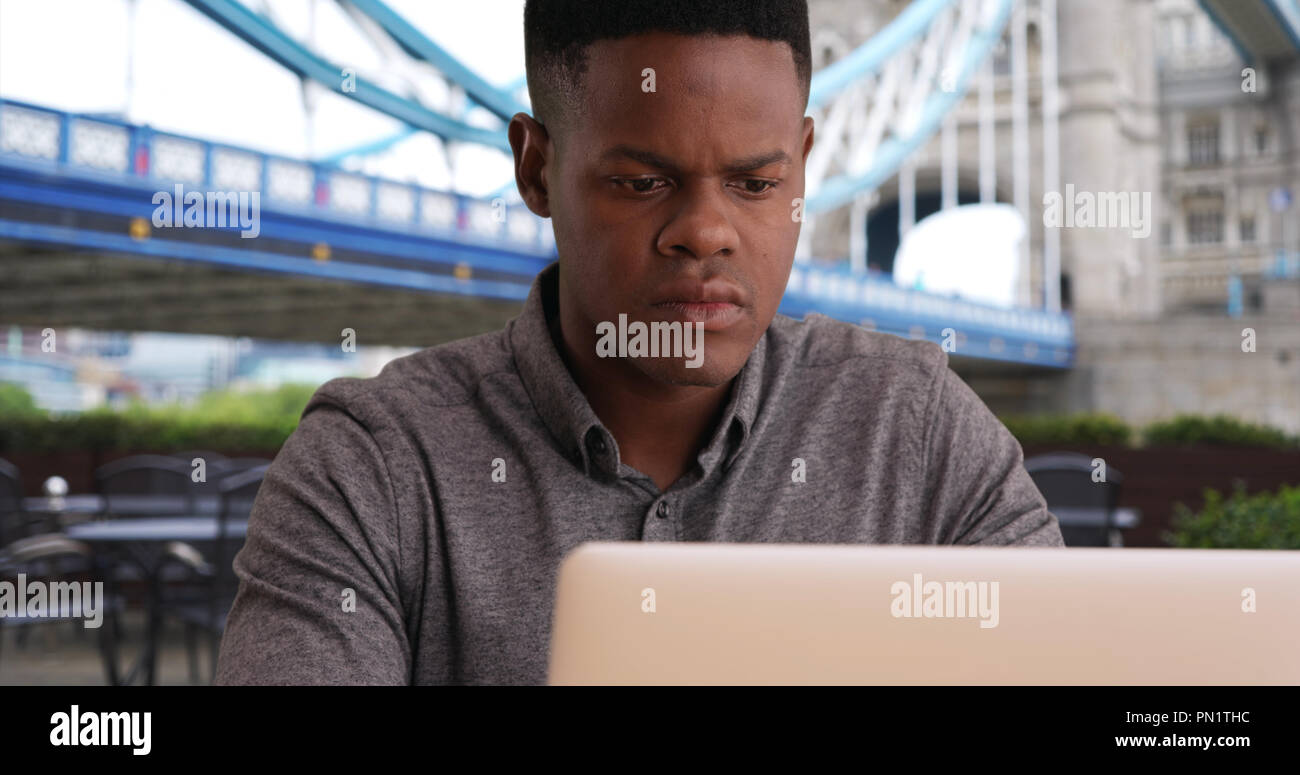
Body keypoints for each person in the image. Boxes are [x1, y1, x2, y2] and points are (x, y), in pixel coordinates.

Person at [215, 0, 1064, 686]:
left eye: (757, 184)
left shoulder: (916, 431)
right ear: (536, 170)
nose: (705, 232)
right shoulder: (370, 467)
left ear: (804, 167)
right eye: (642, 182)